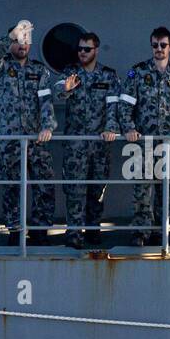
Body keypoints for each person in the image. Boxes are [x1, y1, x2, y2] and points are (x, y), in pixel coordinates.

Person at [116, 26, 170, 248]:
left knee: (165, 190)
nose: (158, 49)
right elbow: (125, 106)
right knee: (142, 190)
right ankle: (141, 232)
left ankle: (161, 232)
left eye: (163, 45)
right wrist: (129, 129)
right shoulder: (138, 73)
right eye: (155, 45)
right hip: (142, 143)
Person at [0, 20, 58, 246]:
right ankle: (15, 229)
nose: (23, 46)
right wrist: (11, 35)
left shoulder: (40, 71)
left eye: (26, 42)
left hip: (36, 140)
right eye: (19, 41)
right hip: (10, 140)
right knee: (11, 187)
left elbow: (46, 100)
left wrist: (48, 126)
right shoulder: (0, 67)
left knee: (44, 185)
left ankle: (39, 230)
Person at [54, 31, 119, 249]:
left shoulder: (108, 76)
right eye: (80, 49)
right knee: (75, 190)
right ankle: (74, 232)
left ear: (96, 51)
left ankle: (93, 229)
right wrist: (65, 90)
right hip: (76, 145)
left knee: (97, 190)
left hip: (100, 145)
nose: (82, 52)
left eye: (87, 49)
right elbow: (56, 91)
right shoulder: (70, 73)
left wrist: (111, 128)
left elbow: (113, 106)